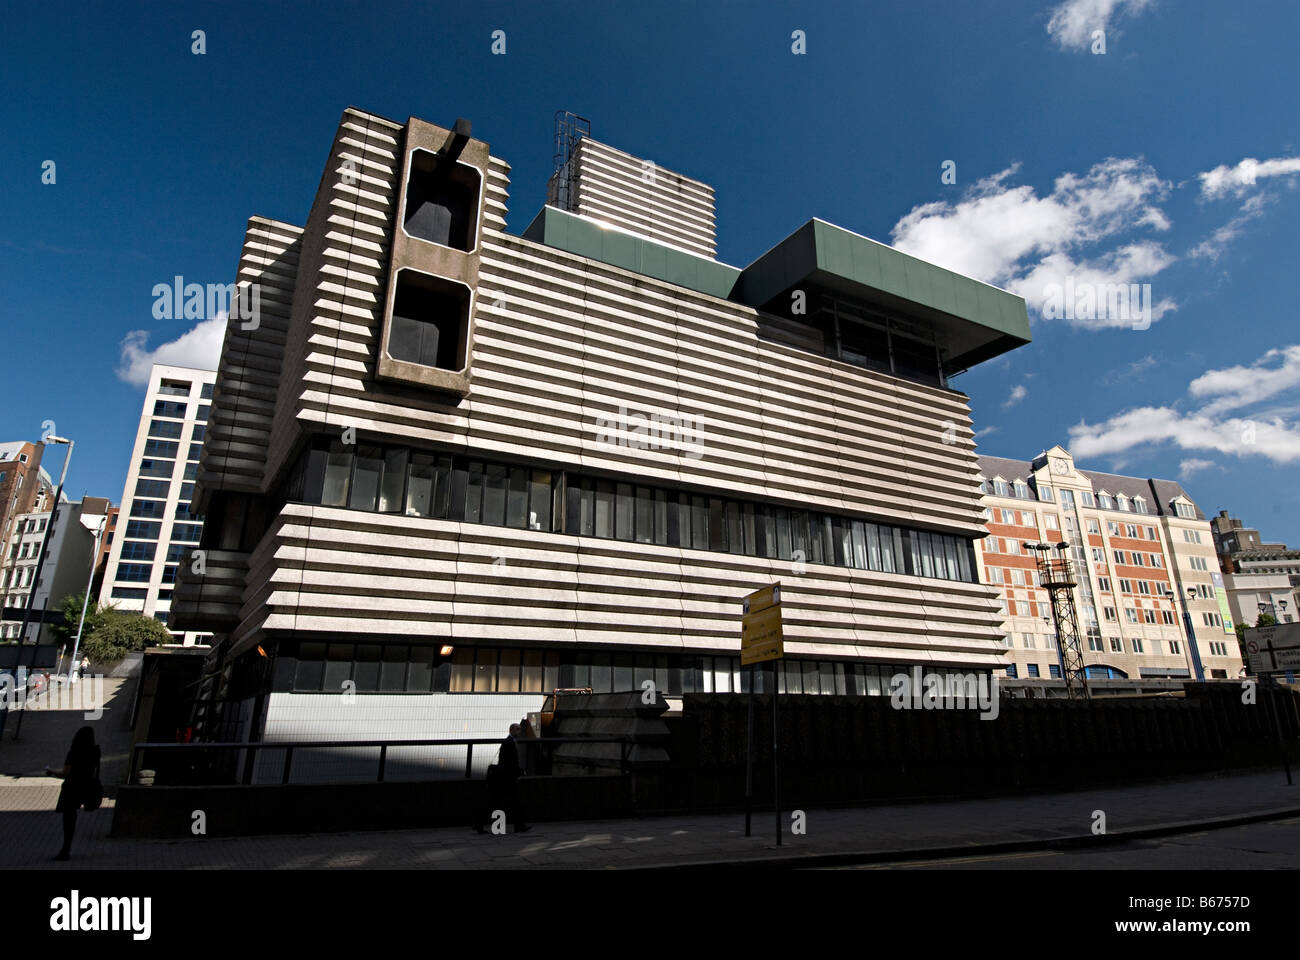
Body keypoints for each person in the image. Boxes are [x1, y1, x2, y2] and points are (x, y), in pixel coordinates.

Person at [45, 725, 100, 861]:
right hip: (84, 788)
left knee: (68, 818)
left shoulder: (74, 752)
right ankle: (66, 848)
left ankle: (65, 849)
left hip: (71, 788)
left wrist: (51, 771)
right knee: (72, 818)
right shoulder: (94, 751)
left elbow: (65, 773)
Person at [475, 723, 528, 833]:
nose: (520, 731)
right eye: (518, 729)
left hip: (504, 778)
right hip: (507, 778)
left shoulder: (509, 742)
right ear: (512, 730)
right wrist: (518, 771)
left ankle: (482, 825)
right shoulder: (509, 743)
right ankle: (518, 826)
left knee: (499, 802)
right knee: (512, 802)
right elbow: (509, 762)